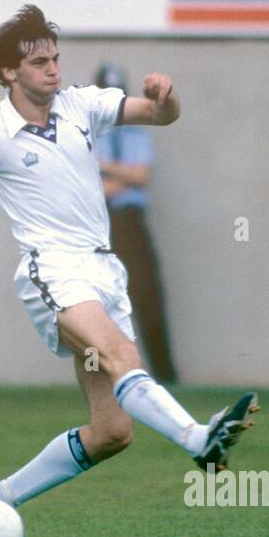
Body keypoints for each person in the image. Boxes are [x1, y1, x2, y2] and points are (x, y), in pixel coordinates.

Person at [0, 6, 258, 511]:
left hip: (103, 269)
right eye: (40, 63)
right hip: (52, 271)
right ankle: (197, 439)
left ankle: (0, 496)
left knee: (112, 432)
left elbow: (160, 115)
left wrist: (167, 96)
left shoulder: (82, 104)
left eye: (56, 58)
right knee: (125, 358)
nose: (54, 69)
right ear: (10, 72)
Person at [95, 63, 179, 382]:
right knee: (100, 300)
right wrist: (122, 176)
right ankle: (111, 374)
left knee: (147, 293)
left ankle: (165, 373)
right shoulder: (89, 131)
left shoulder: (135, 131)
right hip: (101, 224)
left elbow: (141, 177)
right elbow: (91, 184)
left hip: (131, 221)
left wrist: (105, 168)